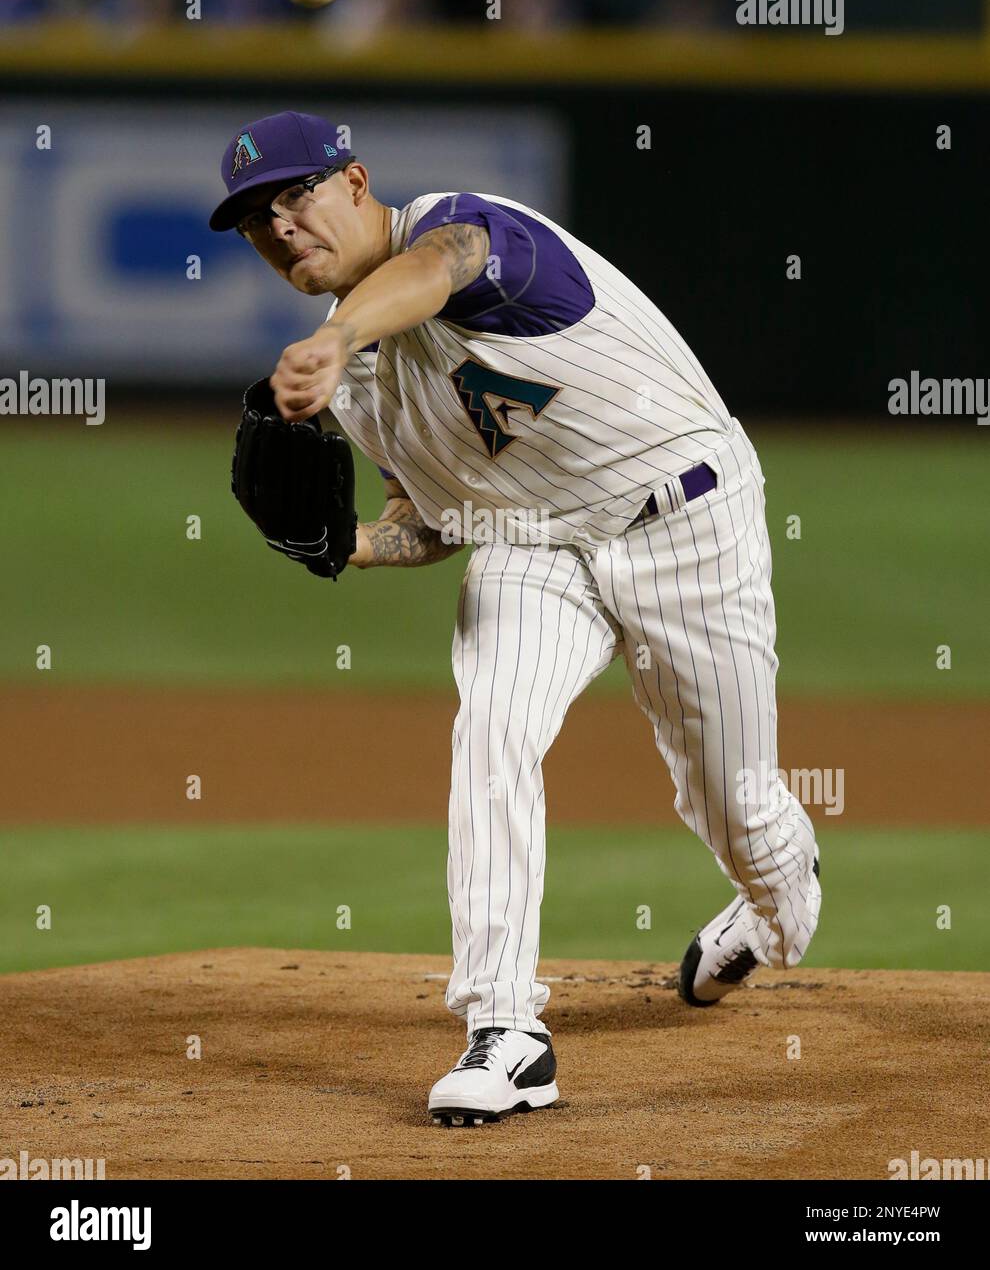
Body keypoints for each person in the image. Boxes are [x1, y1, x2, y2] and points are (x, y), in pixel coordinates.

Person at [209, 110, 822, 1128]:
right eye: (255, 223)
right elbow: (438, 518)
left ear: (356, 182)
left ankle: (774, 898)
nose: (280, 230)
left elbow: (448, 266)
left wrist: (336, 334)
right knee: (492, 728)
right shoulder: (357, 386)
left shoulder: (463, 231)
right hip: (533, 549)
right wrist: (350, 544)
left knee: (734, 801)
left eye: (294, 198)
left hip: (689, 520)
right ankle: (506, 1030)